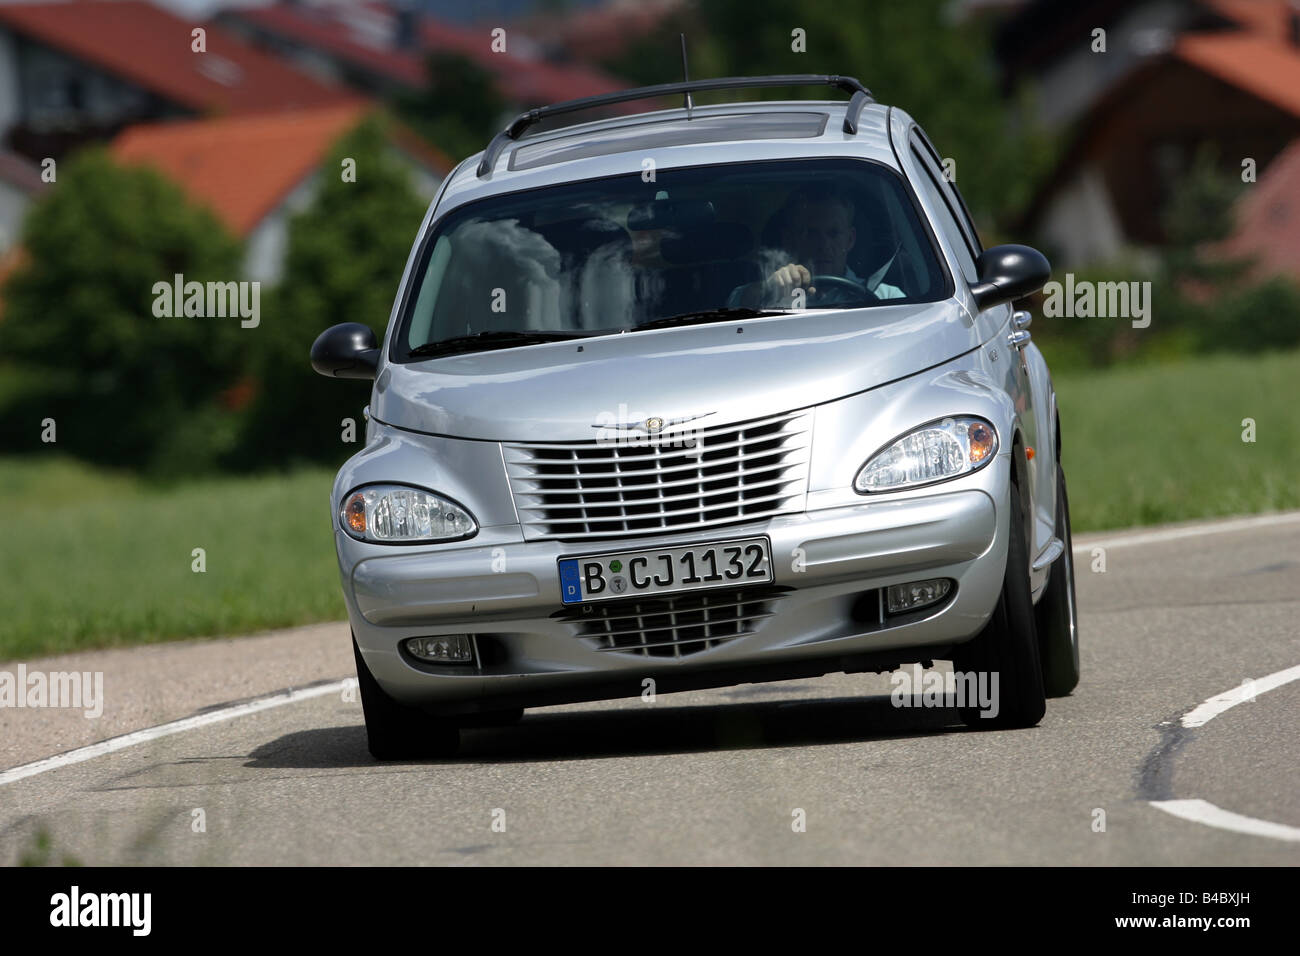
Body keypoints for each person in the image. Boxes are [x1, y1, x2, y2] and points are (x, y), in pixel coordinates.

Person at [727, 187, 904, 308]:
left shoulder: (885, 296)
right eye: (811, 233)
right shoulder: (771, 293)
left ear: (850, 240)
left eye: (833, 233)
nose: (823, 245)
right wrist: (768, 290)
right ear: (789, 239)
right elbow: (735, 310)